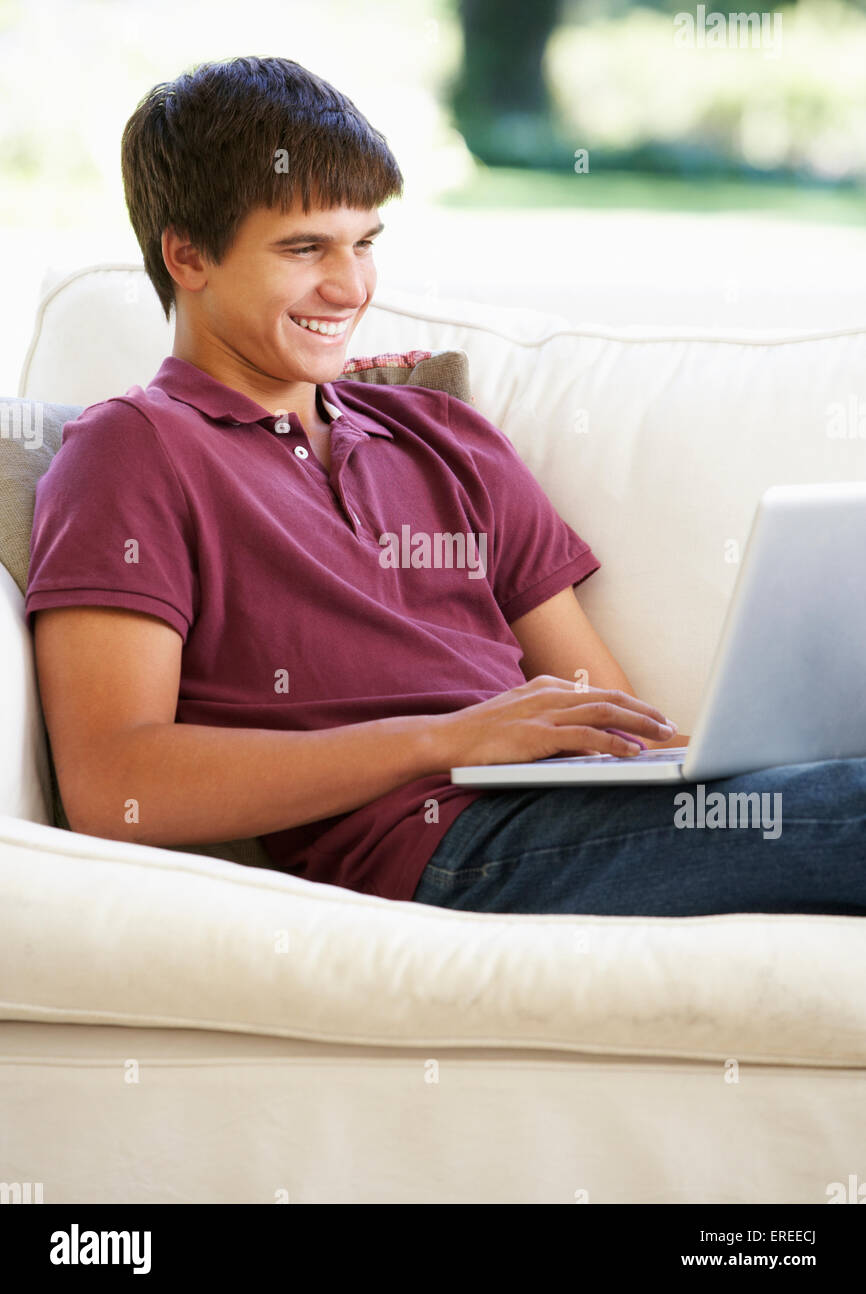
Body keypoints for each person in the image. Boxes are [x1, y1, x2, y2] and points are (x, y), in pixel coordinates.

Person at [25, 56, 866, 918]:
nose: (349, 287)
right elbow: (113, 785)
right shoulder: (133, 450)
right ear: (188, 255)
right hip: (447, 851)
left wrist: (735, 765)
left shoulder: (443, 437)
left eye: (364, 243)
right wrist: (449, 742)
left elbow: (614, 721)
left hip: (574, 810)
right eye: (304, 247)